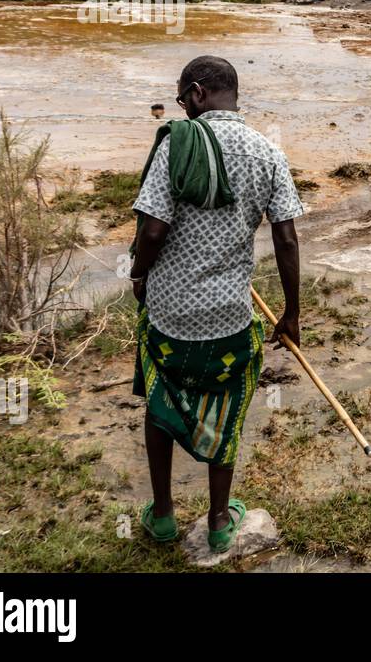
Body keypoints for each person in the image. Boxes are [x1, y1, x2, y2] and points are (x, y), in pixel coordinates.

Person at [128, 55, 303, 552]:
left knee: (160, 401)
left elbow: (154, 228)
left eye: (184, 100)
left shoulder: (177, 145)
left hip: (169, 312)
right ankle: (221, 520)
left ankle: (162, 516)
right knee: (228, 408)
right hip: (229, 315)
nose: (183, 110)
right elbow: (287, 239)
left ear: (198, 93)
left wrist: (139, 273)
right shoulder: (268, 151)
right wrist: (291, 313)